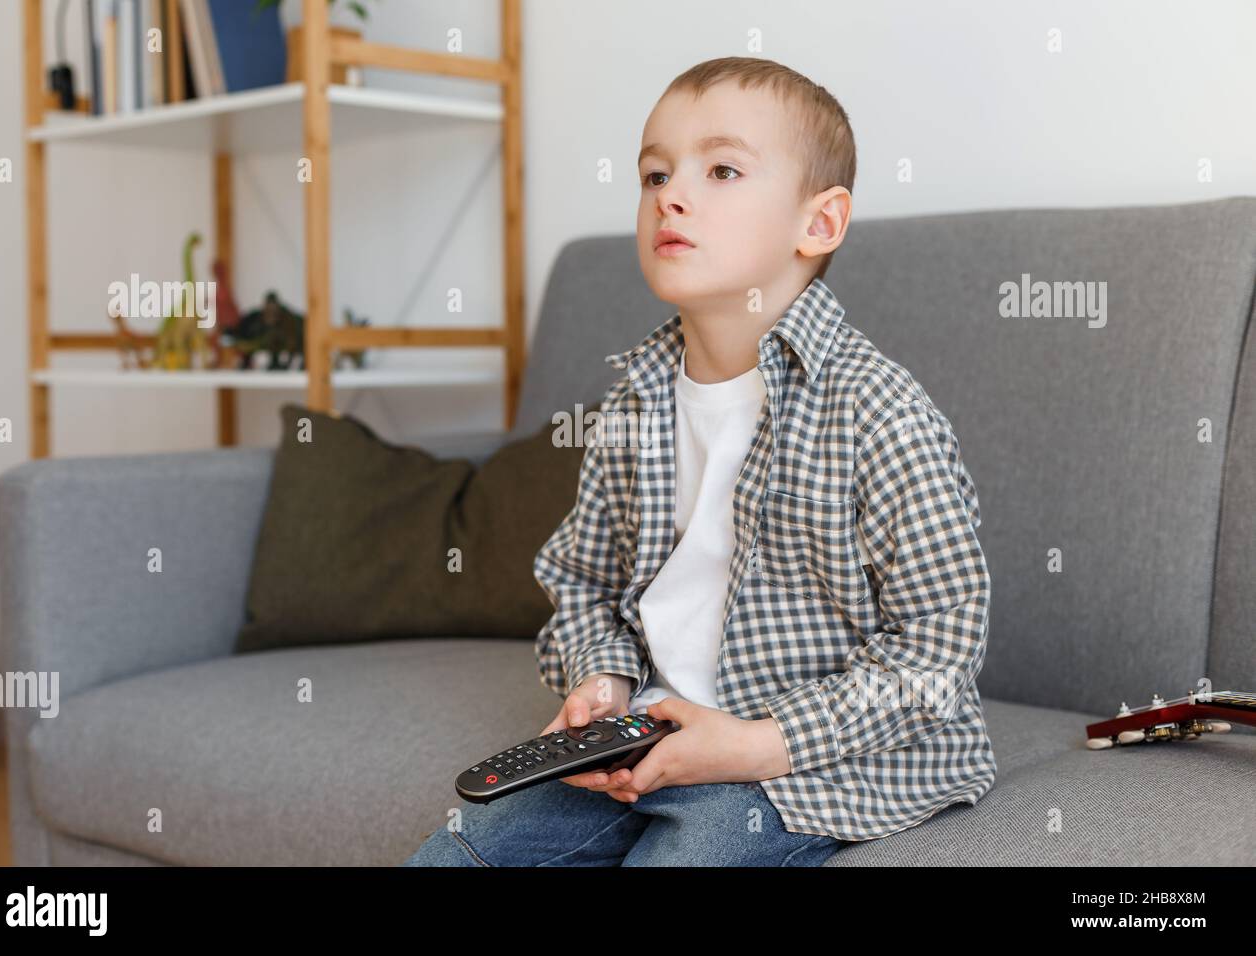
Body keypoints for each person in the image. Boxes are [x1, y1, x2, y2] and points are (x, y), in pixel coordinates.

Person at [405, 55, 995, 867]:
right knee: (458, 854)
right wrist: (603, 683)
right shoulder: (633, 403)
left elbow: (939, 648)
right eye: (654, 174)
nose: (669, 196)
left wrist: (755, 746)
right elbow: (582, 581)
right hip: (650, 736)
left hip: (807, 762)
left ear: (818, 224)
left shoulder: (877, 410)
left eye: (721, 169)